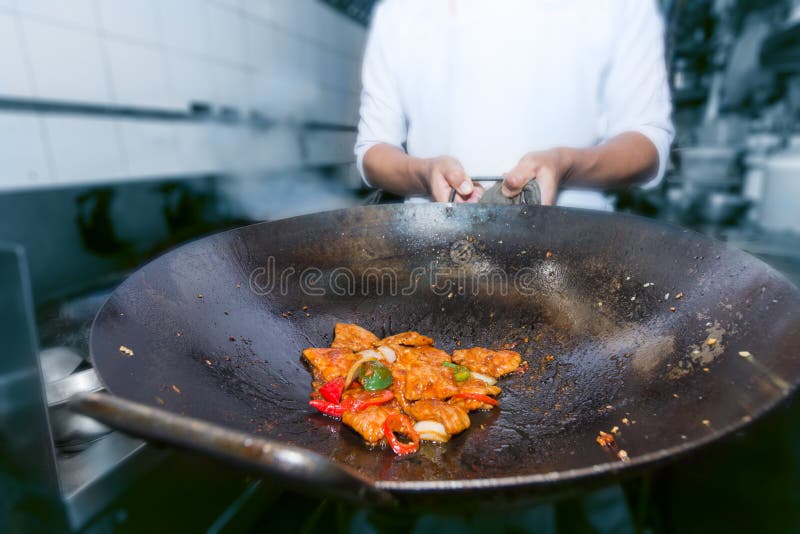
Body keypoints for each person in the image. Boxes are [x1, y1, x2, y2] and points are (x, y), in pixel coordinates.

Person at [354, 0, 674, 209]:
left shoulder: (624, 6)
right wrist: (423, 173)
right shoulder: (400, 12)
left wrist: (565, 164)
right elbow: (374, 150)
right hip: (434, 250)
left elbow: (647, 143)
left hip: (575, 251)